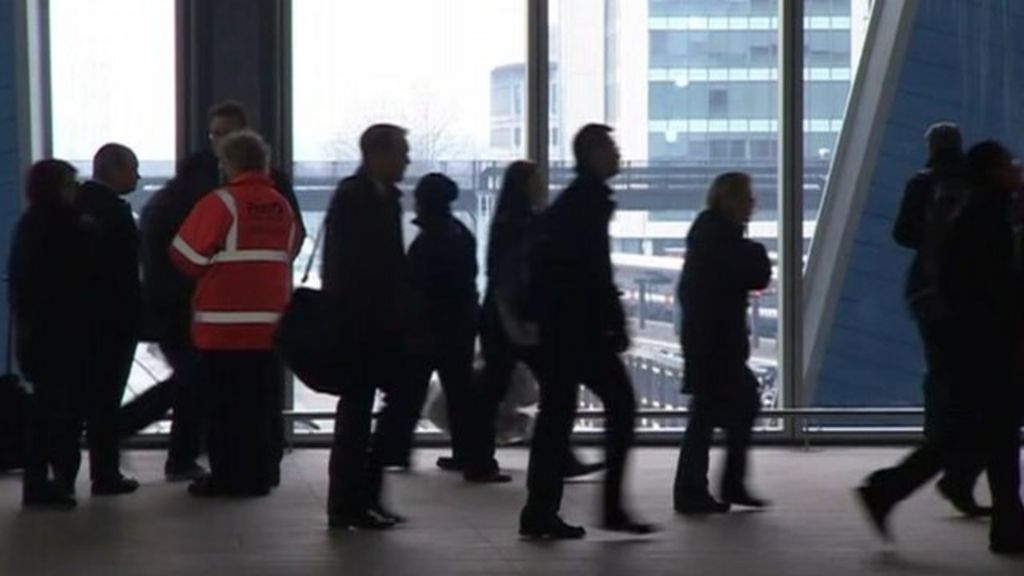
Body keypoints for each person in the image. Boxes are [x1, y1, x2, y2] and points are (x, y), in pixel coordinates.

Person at [858, 141, 1024, 556]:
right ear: (992, 171)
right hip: (990, 344)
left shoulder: (974, 211)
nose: (1016, 171)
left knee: (980, 432)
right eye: (1008, 165)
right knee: (991, 432)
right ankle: (1001, 523)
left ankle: (892, 489)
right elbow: (994, 287)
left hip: (977, 342)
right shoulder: (988, 218)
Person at [122, 100, 303, 482]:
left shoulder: (208, 193)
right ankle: (256, 467)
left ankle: (215, 467)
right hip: (262, 316)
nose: (219, 142)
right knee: (247, 395)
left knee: (210, 391)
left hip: (214, 314)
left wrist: (211, 275)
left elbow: (183, 254)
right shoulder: (276, 196)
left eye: (226, 134)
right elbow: (292, 242)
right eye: (214, 134)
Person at [520, 125, 654, 539]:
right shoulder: (586, 204)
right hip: (577, 331)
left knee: (557, 418)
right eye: (612, 147)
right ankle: (602, 508)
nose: (618, 154)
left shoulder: (578, 202)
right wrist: (614, 322)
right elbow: (593, 272)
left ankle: (542, 511)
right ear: (593, 154)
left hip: (564, 329)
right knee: (611, 407)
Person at [170, 130, 298, 498]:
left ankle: (228, 478)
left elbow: (186, 257)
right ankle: (262, 474)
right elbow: (286, 251)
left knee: (225, 411)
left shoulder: (220, 203)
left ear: (229, 164)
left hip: (222, 329)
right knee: (261, 408)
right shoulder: (281, 206)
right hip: (271, 328)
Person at [466, 160, 605, 482]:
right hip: (513, 317)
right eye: (538, 180)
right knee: (548, 387)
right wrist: (515, 320)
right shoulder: (521, 223)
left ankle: (480, 457)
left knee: (499, 387)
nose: (544, 186)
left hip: (505, 316)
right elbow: (508, 276)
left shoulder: (509, 221)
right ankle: (491, 458)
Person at [889, 122, 988, 516]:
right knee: (979, 381)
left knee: (939, 369)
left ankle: (937, 436)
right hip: (973, 295)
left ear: (930, 146)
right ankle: (956, 459)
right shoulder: (976, 184)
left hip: (930, 291)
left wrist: (932, 240)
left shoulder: (921, 183)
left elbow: (902, 233)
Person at [323, 124, 410, 530]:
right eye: (401, 152)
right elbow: (347, 267)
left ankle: (363, 497)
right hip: (360, 326)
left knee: (377, 410)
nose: (407, 160)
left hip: (380, 324)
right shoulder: (355, 197)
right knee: (356, 416)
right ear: (378, 154)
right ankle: (349, 503)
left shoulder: (384, 197)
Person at [371, 173, 483, 477]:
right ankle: (468, 453)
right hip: (457, 330)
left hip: (424, 333)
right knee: (460, 394)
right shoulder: (460, 234)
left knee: (408, 394)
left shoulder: (426, 244)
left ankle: (393, 450)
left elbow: (413, 290)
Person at [672, 172, 772, 515]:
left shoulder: (709, 234)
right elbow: (755, 273)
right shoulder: (720, 238)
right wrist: (757, 253)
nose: (752, 203)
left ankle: (705, 487)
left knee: (713, 411)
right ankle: (704, 487)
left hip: (709, 341)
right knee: (723, 409)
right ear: (729, 200)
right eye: (746, 197)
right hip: (716, 343)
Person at [10, 161, 92, 508]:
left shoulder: (29, 224)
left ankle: (42, 482)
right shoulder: (69, 227)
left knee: (46, 412)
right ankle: (56, 481)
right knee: (63, 413)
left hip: (37, 336)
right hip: (63, 336)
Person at [75, 144, 143, 496]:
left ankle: (69, 471)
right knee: (106, 399)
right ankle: (105, 474)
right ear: (113, 169)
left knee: (81, 398)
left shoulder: (77, 206)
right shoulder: (114, 214)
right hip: (113, 322)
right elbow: (126, 275)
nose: (138, 176)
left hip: (80, 321)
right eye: (132, 168)